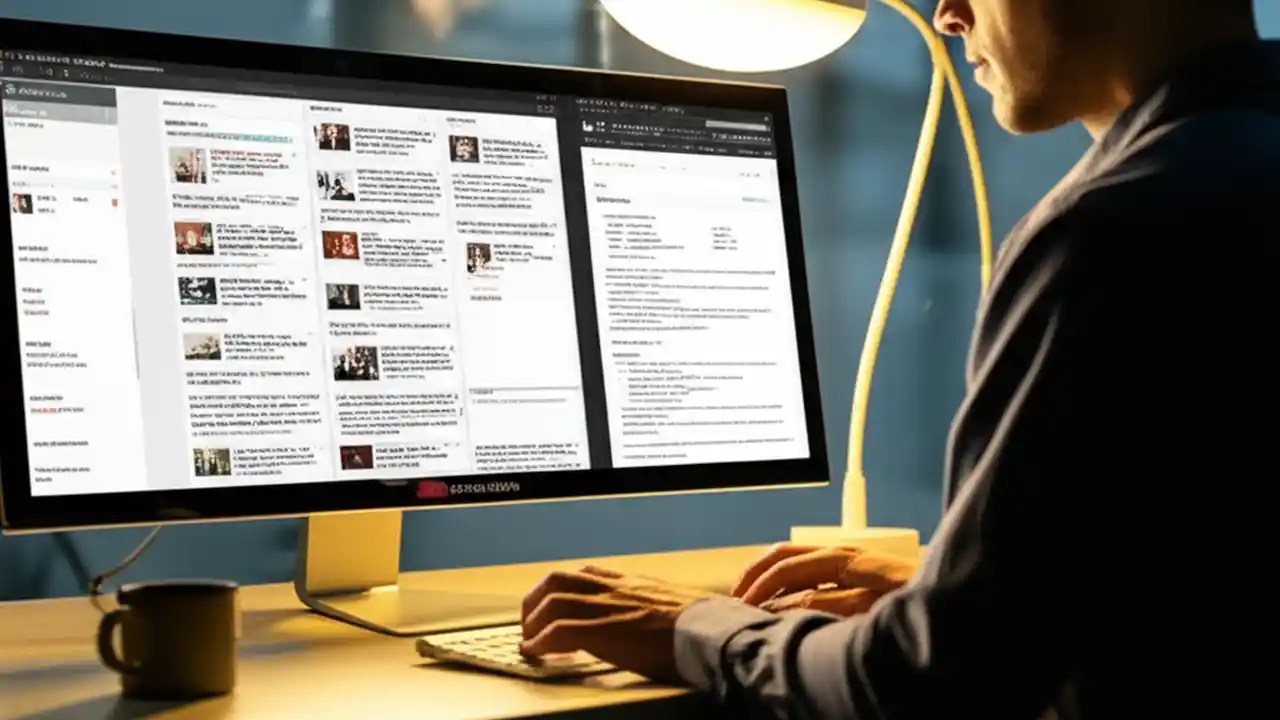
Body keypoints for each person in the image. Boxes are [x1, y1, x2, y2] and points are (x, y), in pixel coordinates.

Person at [519, 1, 1275, 717]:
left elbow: (934, 687)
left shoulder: (1117, 227)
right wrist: (955, 593)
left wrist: (697, 629)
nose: (947, 14)